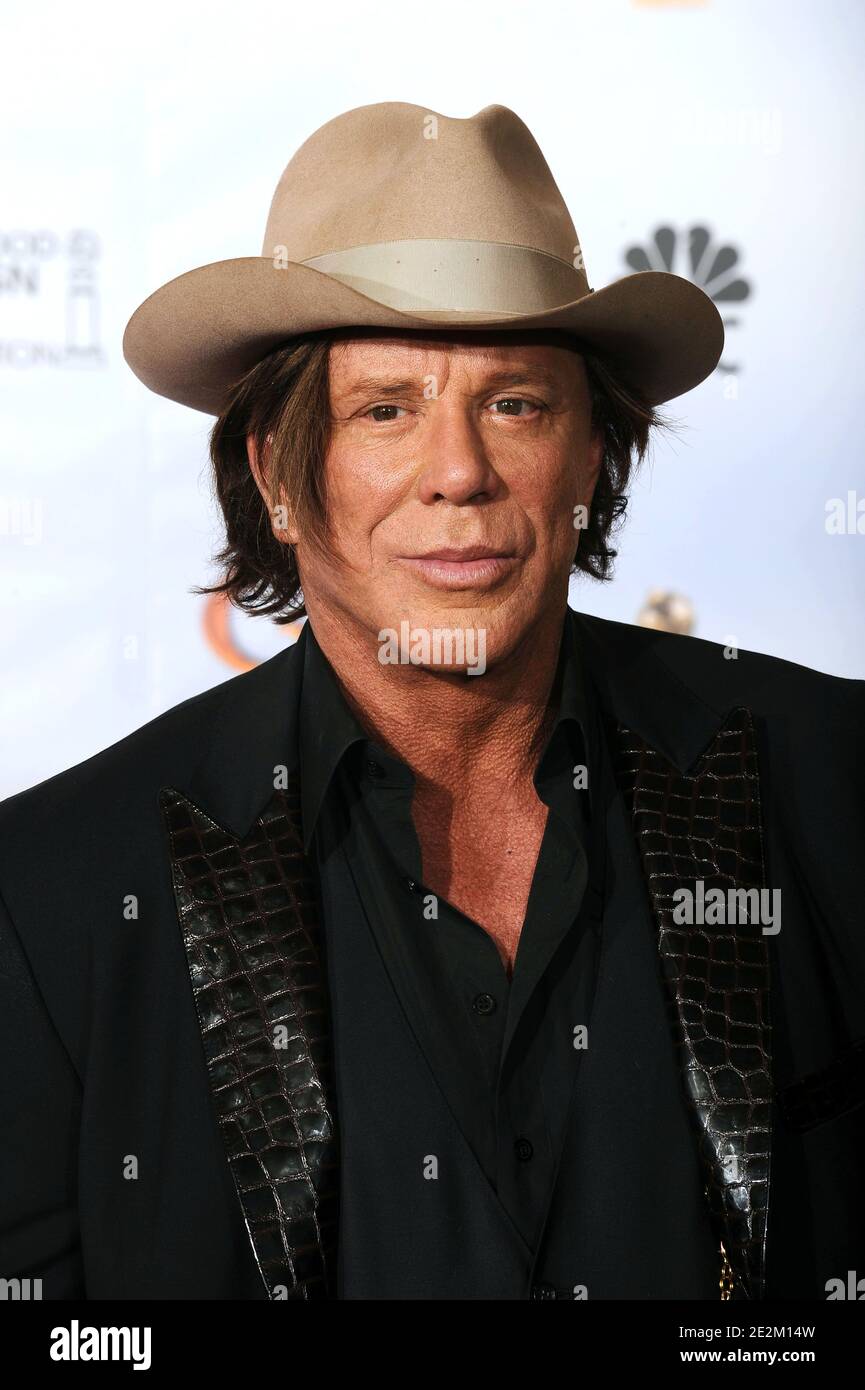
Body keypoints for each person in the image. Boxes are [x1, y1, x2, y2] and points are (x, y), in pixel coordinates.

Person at [1, 101, 862, 1302]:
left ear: (592, 455)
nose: (458, 472)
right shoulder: (57, 890)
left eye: (513, 401)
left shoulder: (827, 775)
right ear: (274, 470)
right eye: (386, 409)